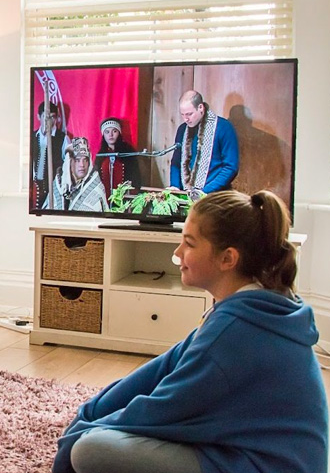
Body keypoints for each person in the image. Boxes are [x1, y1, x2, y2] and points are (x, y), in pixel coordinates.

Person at [52, 190, 328, 473]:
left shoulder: (236, 331)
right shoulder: (249, 306)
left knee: (90, 450)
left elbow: (162, 410)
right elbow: (159, 371)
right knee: (93, 433)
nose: (177, 253)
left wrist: (82, 433)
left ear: (227, 259)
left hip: (261, 464)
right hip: (243, 450)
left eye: (189, 244)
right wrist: (90, 411)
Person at [168, 90, 239, 199]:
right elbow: (176, 162)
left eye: (189, 114)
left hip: (214, 197)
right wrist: (175, 186)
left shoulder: (224, 127)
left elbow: (230, 167)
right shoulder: (182, 130)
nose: (185, 119)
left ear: (200, 107)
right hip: (185, 195)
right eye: (182, 115)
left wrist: (205, 192)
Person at [44, 137, 108, 212]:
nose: (82, 165)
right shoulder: (58, 184)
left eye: (85, 160)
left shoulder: (96, 187)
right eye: (77, 160)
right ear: (69, 162)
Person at [31, 101, 70, 209]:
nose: (49, 121)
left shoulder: (63, 139)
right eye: (46, 117)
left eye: (53, 117)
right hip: (33, 190)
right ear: (39, 117)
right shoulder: (31, 137)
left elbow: (68, 165)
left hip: (53, 190)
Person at [94, 117, 141, 198]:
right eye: (107, 132)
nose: (110, 135)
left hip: (124, 198)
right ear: (103, 135)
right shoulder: (100, 155)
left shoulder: (128, 152)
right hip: (104, 199)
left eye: (114, 131)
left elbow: (135, 178)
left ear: (119, 133)